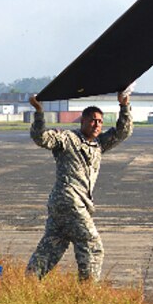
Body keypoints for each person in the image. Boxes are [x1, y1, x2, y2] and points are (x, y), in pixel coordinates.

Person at [26, 91, 132, 281]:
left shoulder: (98, 144)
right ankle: (88, 291)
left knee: (51, 247)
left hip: (64, 206)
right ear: (82, 121)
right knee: (92, 245)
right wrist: (39, 111)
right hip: (69, 201)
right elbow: (41, 137)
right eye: (92, 120)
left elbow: (122, 132)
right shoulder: (68, 139)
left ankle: (27, 283)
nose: (97, 124)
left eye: (100, 121)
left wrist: (124, 106)